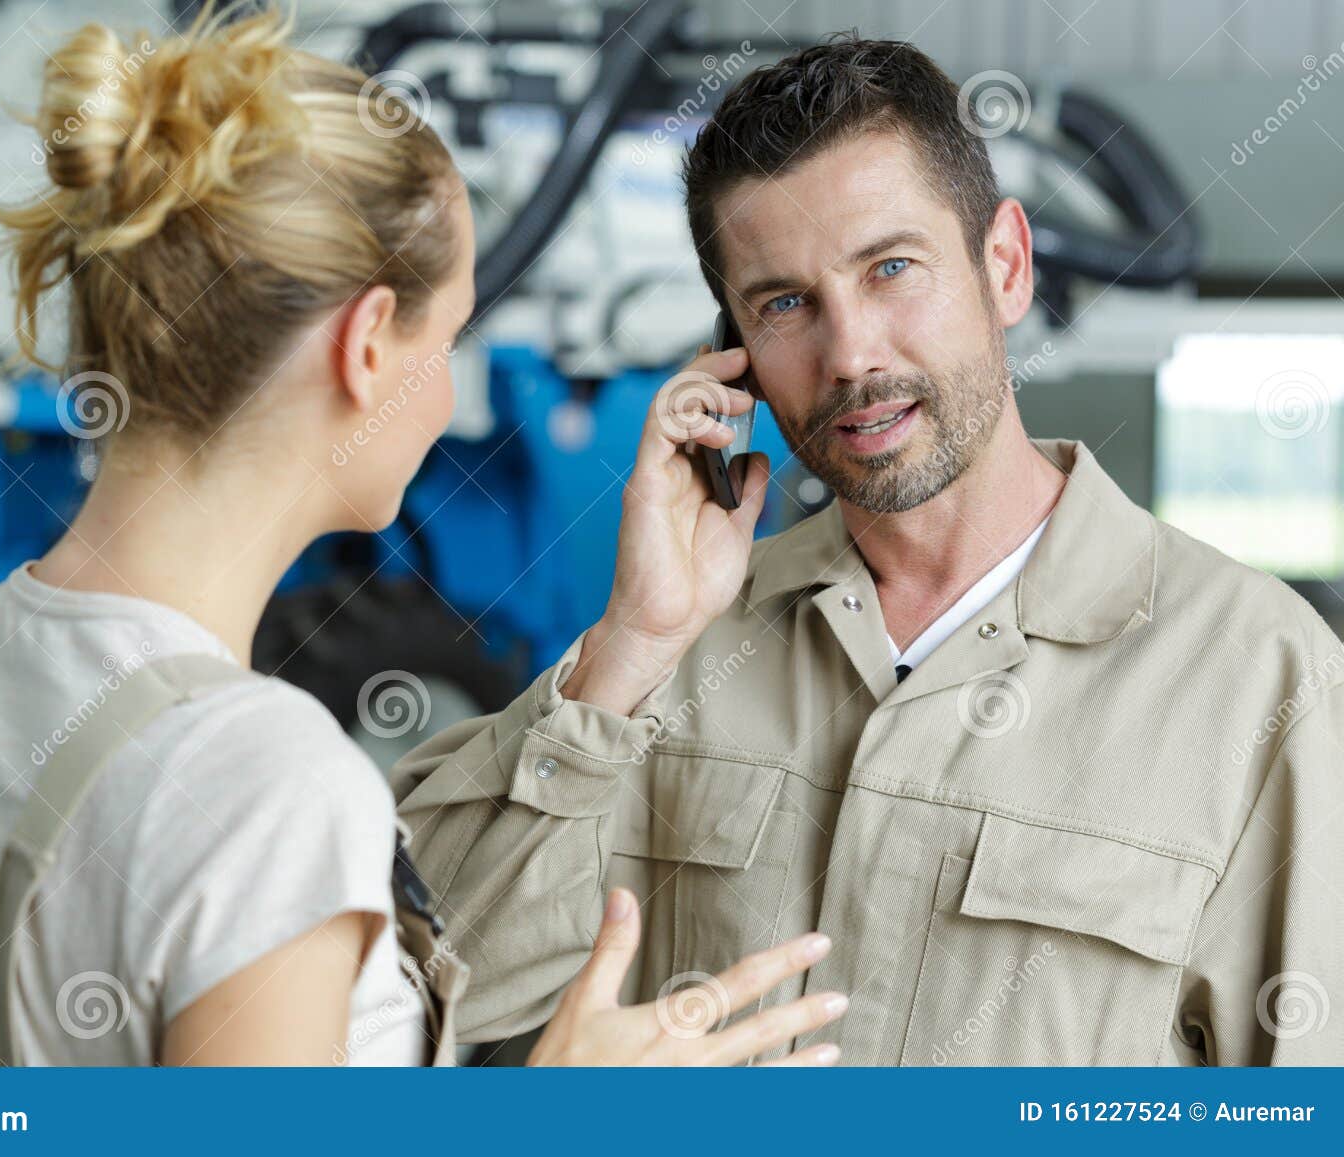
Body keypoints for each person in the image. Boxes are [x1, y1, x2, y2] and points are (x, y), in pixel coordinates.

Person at [0, 5, 849, 1067]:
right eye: (445, 338)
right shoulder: (267, 783)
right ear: (364, 346)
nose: (445, 395)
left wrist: (633, 637)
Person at [394, 34, 1344, 1065]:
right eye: (785, 303)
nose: (849, 355)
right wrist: (629, 644)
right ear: (737, 354)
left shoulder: (1261, 676)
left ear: (1006, 267)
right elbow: (414, 996)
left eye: (890, 269)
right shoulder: (676, 652)